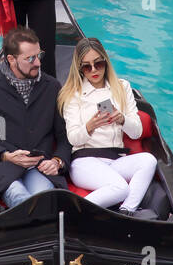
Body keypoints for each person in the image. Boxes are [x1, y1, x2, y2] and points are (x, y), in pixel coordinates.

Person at [0, 26, 72, 209]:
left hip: (40, 167)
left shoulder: (52, 87)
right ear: (11, 59)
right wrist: (6, 156)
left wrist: (57, 162)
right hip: (1, 167)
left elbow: (65, 138)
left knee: (45, 198)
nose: (38, 63)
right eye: (30, 58)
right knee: (19, 197)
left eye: (39, 55)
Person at [58, 38, 158, 218]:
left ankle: (126, 211)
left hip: (116, 160)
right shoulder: (72, 94)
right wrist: (90, 126)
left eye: (98, 63)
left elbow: (136, 132)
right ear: (80, 68)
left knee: (148, 160)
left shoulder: (122, 87)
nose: (94, 70)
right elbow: (73, 138)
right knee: (120, 188)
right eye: (87, 67)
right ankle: (73, 214)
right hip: (85, 161)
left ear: (105, 61)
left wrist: (122, 119)